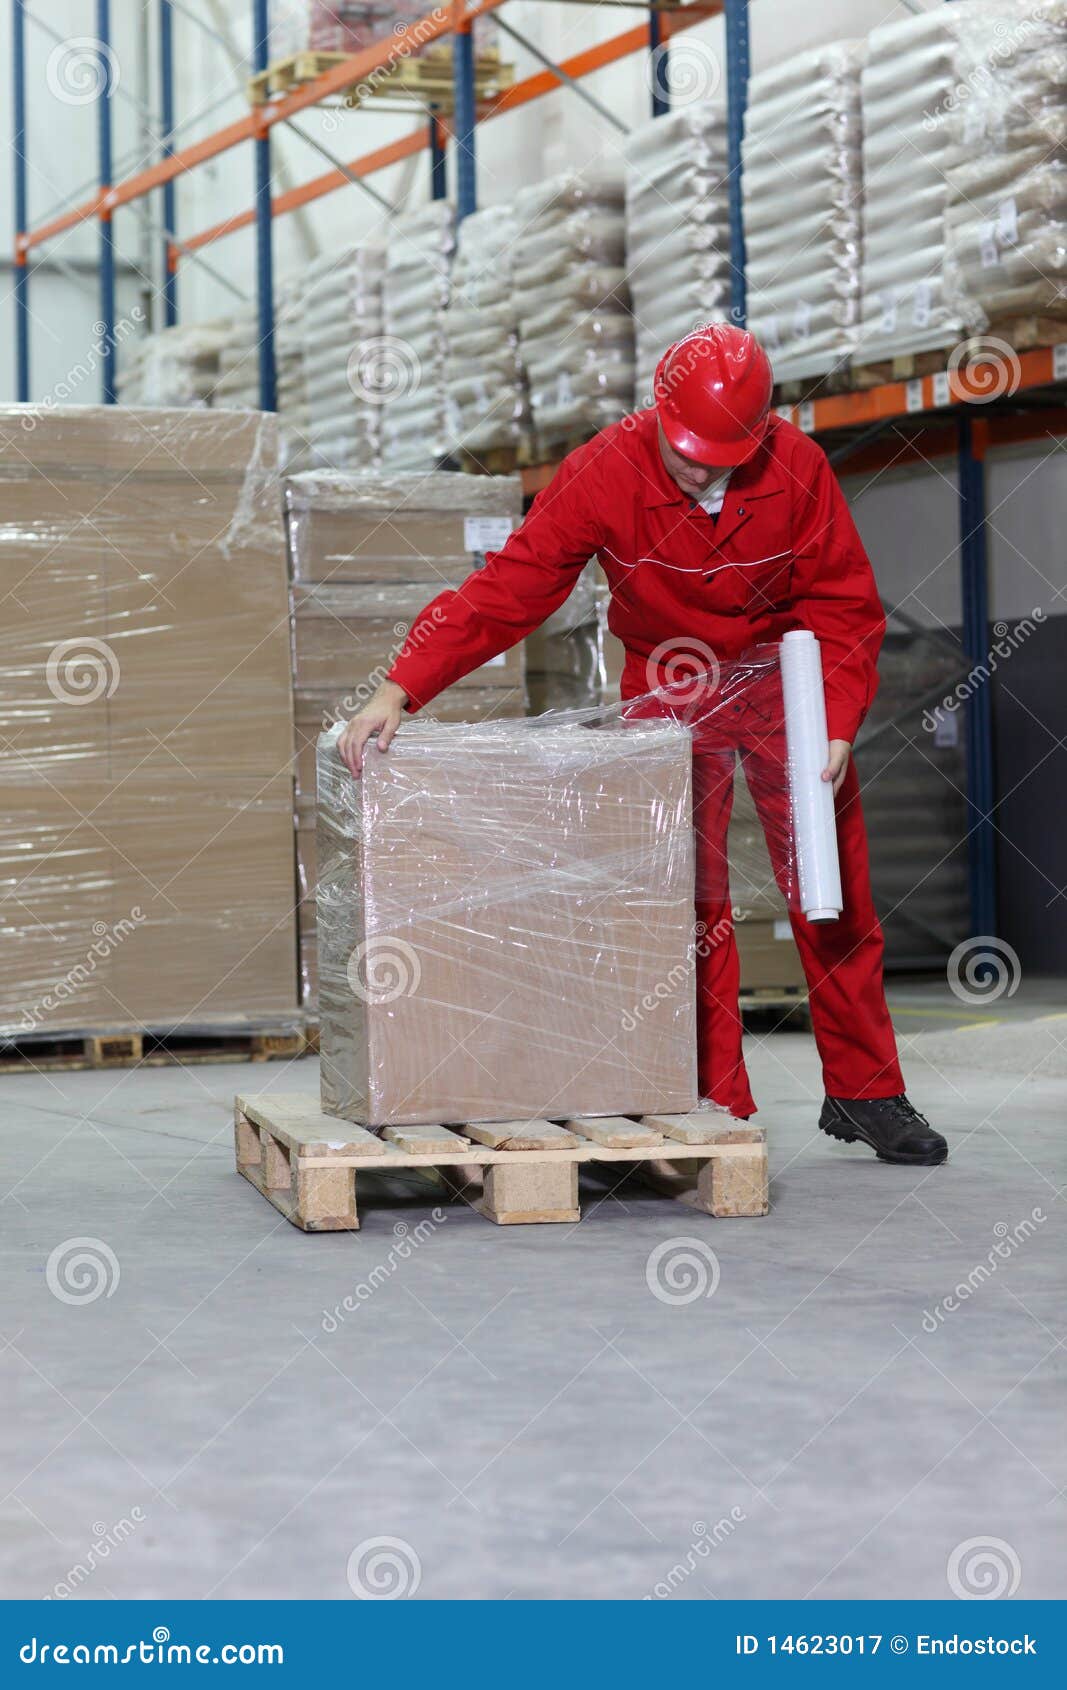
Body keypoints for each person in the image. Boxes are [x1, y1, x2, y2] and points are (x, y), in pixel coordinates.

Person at [339, 324, 948, 1167]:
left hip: (788, 682)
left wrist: (835, 720)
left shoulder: (797, 467)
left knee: (829, 886)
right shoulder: (603, 468)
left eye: (722, 457)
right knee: (681, 902)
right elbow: (512, 586)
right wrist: (401, 686)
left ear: (761, 432)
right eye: (687, 453)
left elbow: (843, 601)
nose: (699, 471)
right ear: (659, 412)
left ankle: (866, 1090)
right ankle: (710, 1100)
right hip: (671, 681)